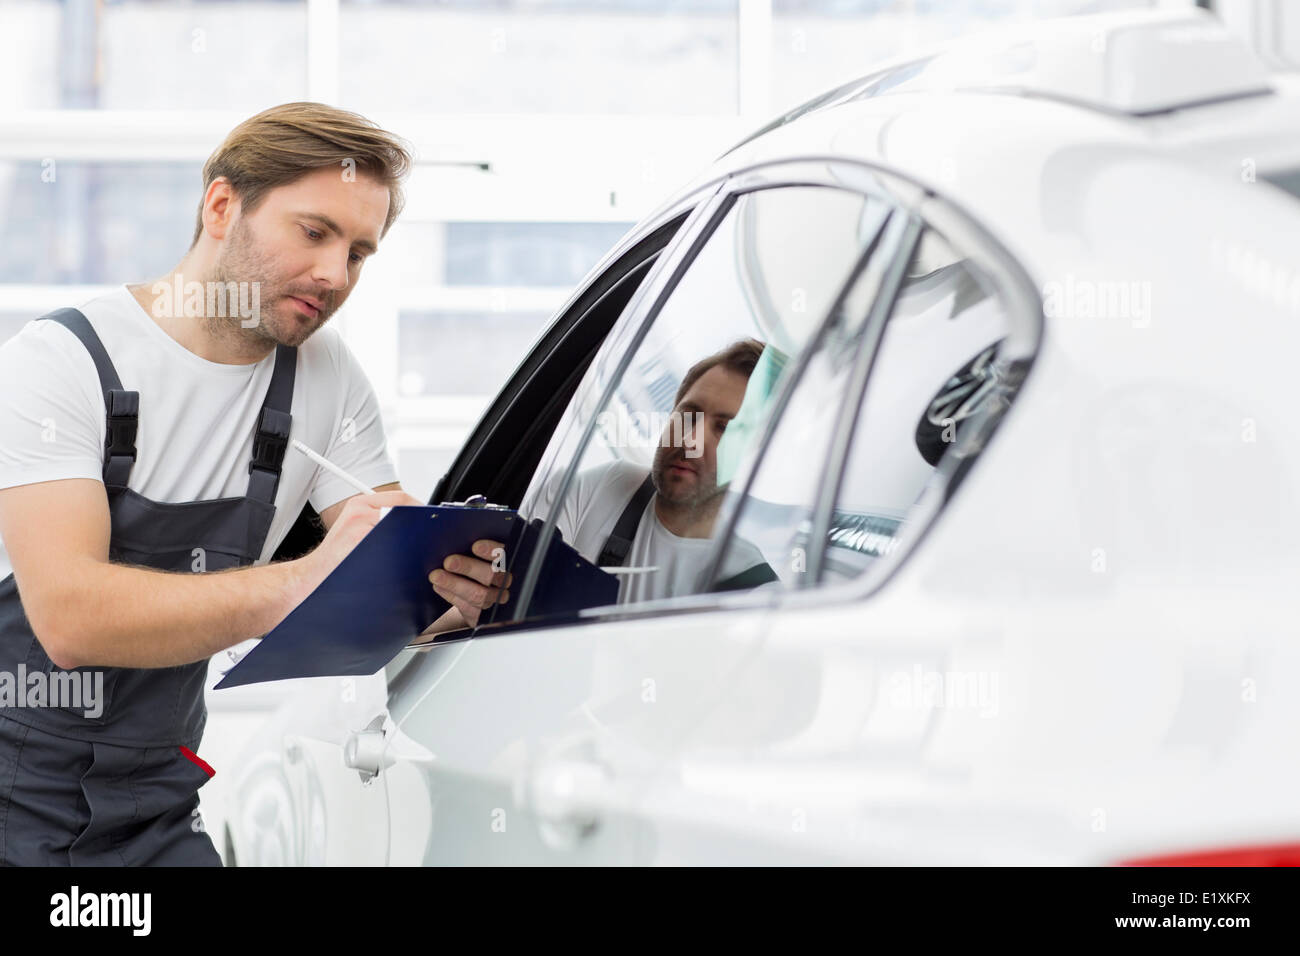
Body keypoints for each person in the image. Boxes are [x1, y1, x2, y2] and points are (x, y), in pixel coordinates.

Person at [0, 102, 497, 866]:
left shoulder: (326, 378)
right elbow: (71, 621)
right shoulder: (61, 361)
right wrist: (302, 583)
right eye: (314, 232)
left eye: (359, 253)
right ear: (223, 205)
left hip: (153, 811)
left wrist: (443, 595)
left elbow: (389, 568)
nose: (335, 275)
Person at [427, 340, 779, 628]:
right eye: (687, 415)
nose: (692, 439)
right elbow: (463, 616)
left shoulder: (753, 589)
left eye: (725, 427)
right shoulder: (597, 489)